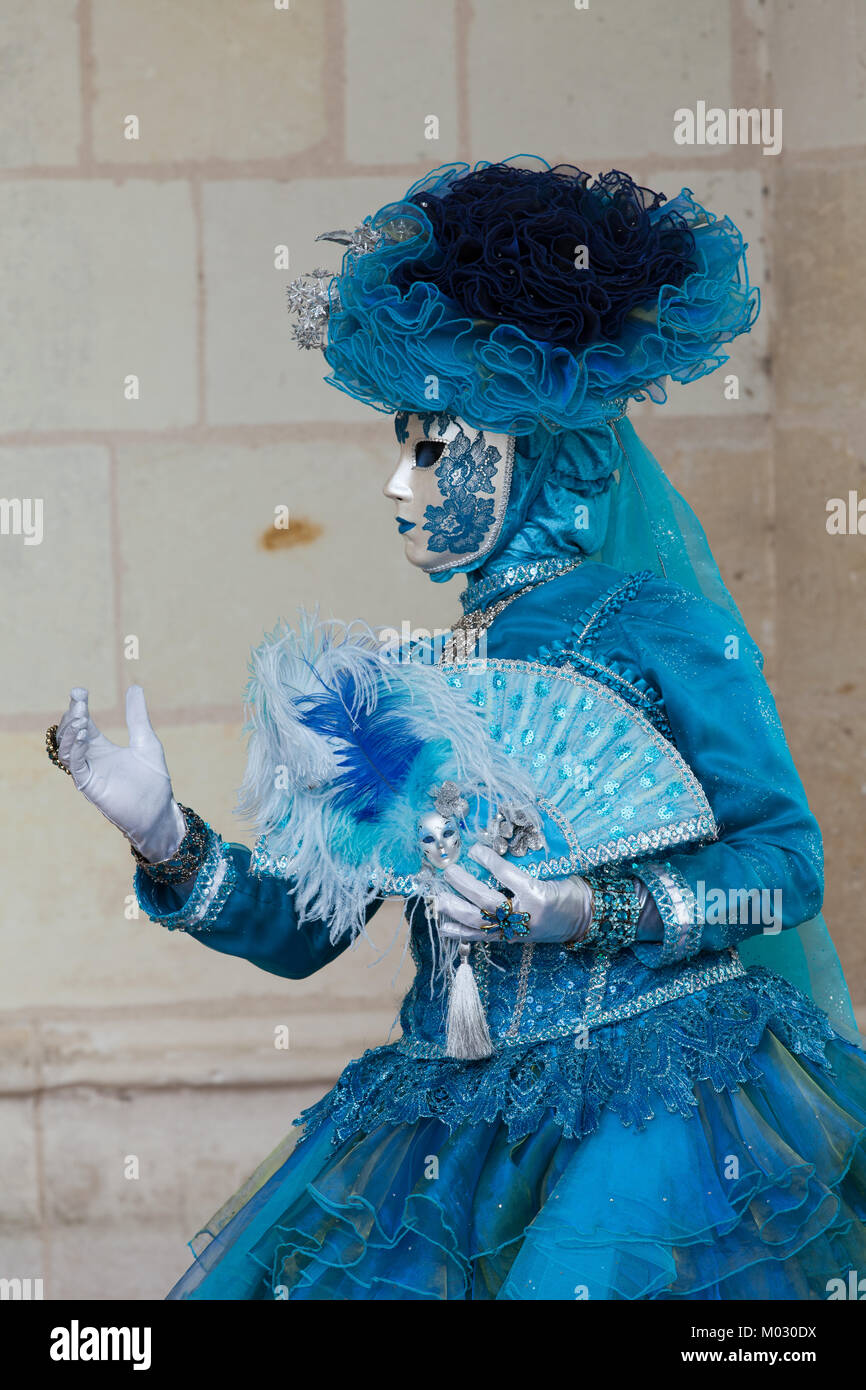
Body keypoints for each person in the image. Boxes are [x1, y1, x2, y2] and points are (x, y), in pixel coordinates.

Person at [48, 159, 866, 1300]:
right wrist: (165, 839)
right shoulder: (392, 679)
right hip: (445, 1110)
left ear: (537, 451)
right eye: (401, 443)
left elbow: (781, 868)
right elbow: (303, 928)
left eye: (434, 446)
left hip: (651, 1099)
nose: (398, 483)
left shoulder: (662, 629)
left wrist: (600, 906)